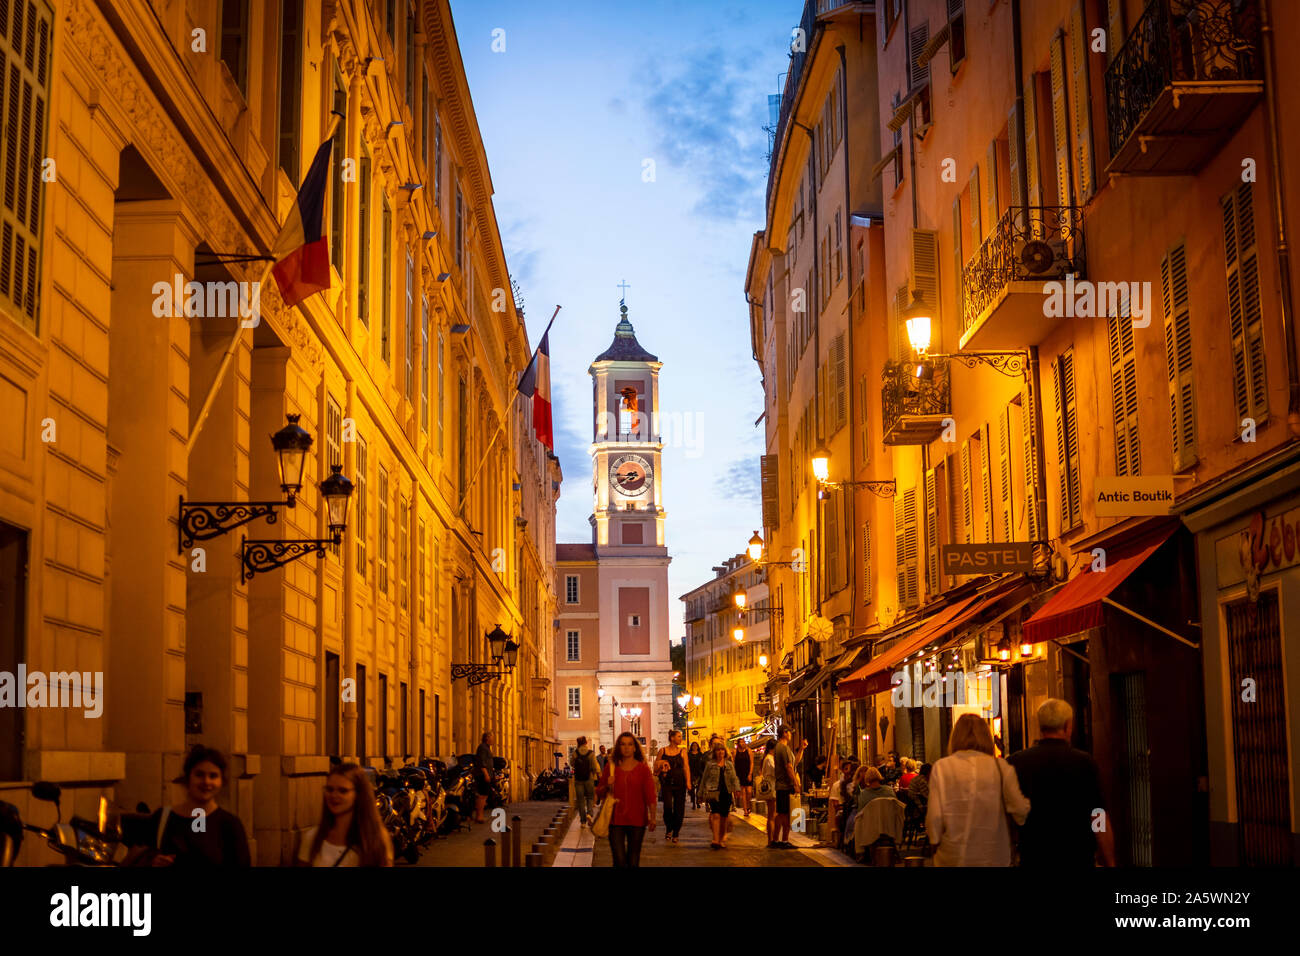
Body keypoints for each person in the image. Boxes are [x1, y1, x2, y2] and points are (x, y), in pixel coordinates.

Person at [1007, 699, 1116, 867]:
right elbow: (1097, 814)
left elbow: (1009, 817)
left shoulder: (1016, 762)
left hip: (1034, 857)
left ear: (1040, 727)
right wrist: (1109, 859)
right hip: (1077, 857)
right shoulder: (1084, 763)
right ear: (1067, 726)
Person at [926, 714, 1029, 866]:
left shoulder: (942, 767)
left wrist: (935, 841)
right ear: (987, 737)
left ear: (955, 738)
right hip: (994, 856)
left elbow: (935, 817)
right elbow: (1020, 810)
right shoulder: (1001, 767)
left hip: (952, 856)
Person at [148, 745, 251, 867]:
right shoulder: (162, 818)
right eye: (199, 774)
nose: (206, 782)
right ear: (188, 777)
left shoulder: (230, 825)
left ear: (222, 781)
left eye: (213, 776)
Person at [297, 763, 393, 866]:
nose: (334, 795)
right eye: (330, 789)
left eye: (343, 791)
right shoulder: (312, 838)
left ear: (358, 794)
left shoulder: (375, 839)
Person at [596, 732, 657, 867]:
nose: (626, 748)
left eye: (630, 744)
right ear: (618, 747)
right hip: (615, 819)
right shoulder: (610, 768)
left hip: (637, 819)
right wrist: (607, 785)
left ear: (635, 748)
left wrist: (653, 816)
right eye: (623, 744)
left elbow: (650, 795)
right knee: (619, 860)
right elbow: (599, 792)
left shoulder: (643, 769)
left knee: (633, 859)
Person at [698, 740, 742, 849]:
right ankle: (715, 839)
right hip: (713, 792)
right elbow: (704, 779)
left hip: (726, 792)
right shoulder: (710, 764)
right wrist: (700, 793)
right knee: (716, 815)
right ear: (715, 752)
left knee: (724, 817)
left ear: (725, 752)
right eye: (718, 750)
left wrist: (737, 789)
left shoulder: (729, 765)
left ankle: (722, 838)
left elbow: (734, 778)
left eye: (722, 750)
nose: (720, 752)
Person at [655, 729, 690, 845]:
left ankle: (676, 832)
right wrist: (661, 767)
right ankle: (669, 827)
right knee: (668, 807)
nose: (681, 738)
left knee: (679, 808)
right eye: (679, 736)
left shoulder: (683, 751)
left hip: (680, 782)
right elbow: (655, 769)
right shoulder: (662, 751)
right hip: (667, 783)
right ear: (672, 738)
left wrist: (688, 781)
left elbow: (686, 767)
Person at [769, 725, 799, 849]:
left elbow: (793, 763)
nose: (791, 735)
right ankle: (785, 840)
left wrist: (801, 749)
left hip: (780, 786)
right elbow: (789, 767)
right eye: (790, 732)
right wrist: (796, 784)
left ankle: (775, 839)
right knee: (786, 814)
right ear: (785, 733)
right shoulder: (784, 748)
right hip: (785, 786)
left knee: (780, 813)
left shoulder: (778, 748)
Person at [570, 736, 599, 827]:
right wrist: (594, 775)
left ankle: (583, 822)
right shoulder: (591, 753)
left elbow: (572, 764)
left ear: (578, 743)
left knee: (580, 800)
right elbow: (594, 767)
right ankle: (589, 814)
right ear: (586, 742)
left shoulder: (575, 753)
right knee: (590, 798)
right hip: (589, 778)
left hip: (578, 779)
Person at [758, 739, 778, 843]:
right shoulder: (769, 759)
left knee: (772, 814)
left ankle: (772, 838)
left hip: (770, 787)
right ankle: (771, 839)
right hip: (772, 787)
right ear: (772, 748)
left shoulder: (767, 758)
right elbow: (776, 772)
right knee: (772, 814)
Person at [474, 731, 495, 823]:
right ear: (487, 738)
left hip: (487, 774)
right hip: (483, 775)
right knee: (482, 796)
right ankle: (479, 816)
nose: (493, 740)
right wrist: (486, 774)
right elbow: (482, 762)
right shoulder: (482, 748)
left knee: (484, 796)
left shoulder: (487, 748)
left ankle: (480, 816)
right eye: (492, 737)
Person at [733, 737, 754, 816]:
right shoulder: (735, 752)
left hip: (748, 773)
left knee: (749, 792)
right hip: (739, 774)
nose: (742, 743)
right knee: (743, 793)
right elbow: (734, 763)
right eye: (740, 742)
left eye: (743, 742)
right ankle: (745, 810)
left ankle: (748, 806)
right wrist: (735, 775)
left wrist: (750, 773)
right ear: (738, 744)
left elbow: (752, 762)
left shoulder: (749, 751)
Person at [687, 742, 706, 809]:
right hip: (691, 773)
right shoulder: (688, 754)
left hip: (699, 773)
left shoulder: (701, 754)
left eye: (696, 746)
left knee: (698, 789)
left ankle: (697, 802)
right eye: (693, 746)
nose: (694, 747)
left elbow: (703, 764)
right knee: (692, 789)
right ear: (691, 747)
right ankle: (693, 802)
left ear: (698, 747)